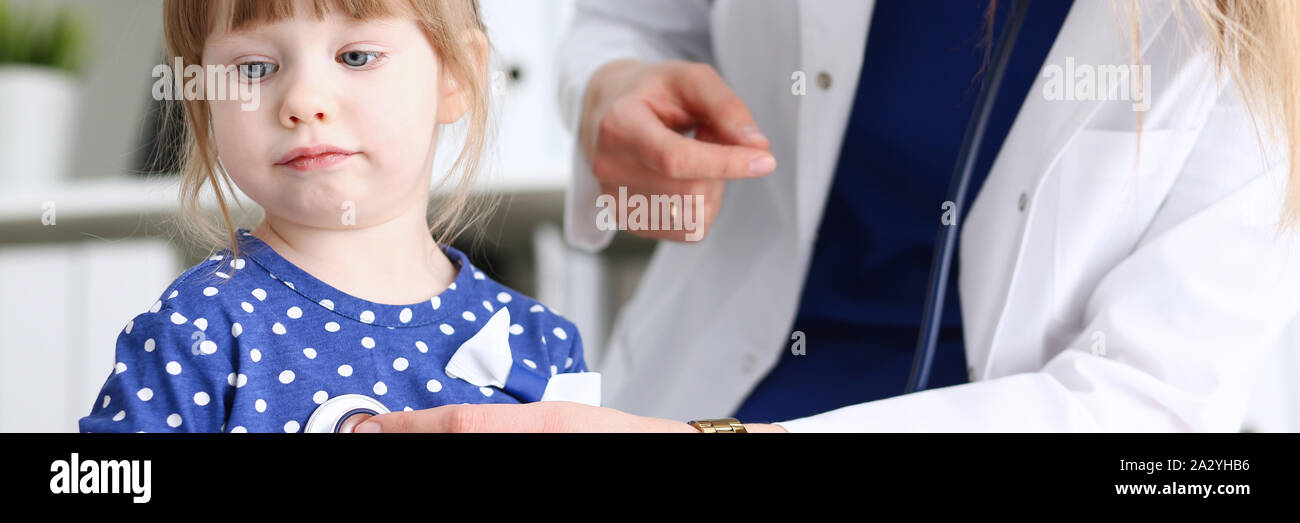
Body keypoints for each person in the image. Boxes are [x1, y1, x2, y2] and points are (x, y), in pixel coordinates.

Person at [351, 0, 1300, 433]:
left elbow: (1159, 415)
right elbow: (632, 21)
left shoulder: (1256, 42)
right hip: (696, 382)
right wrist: (614, 90)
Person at [78, 0, 597, 433]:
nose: (303, 101)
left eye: (356, 56)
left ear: (456, 74)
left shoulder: (543, 343)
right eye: (254, 67)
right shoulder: (198, 328)